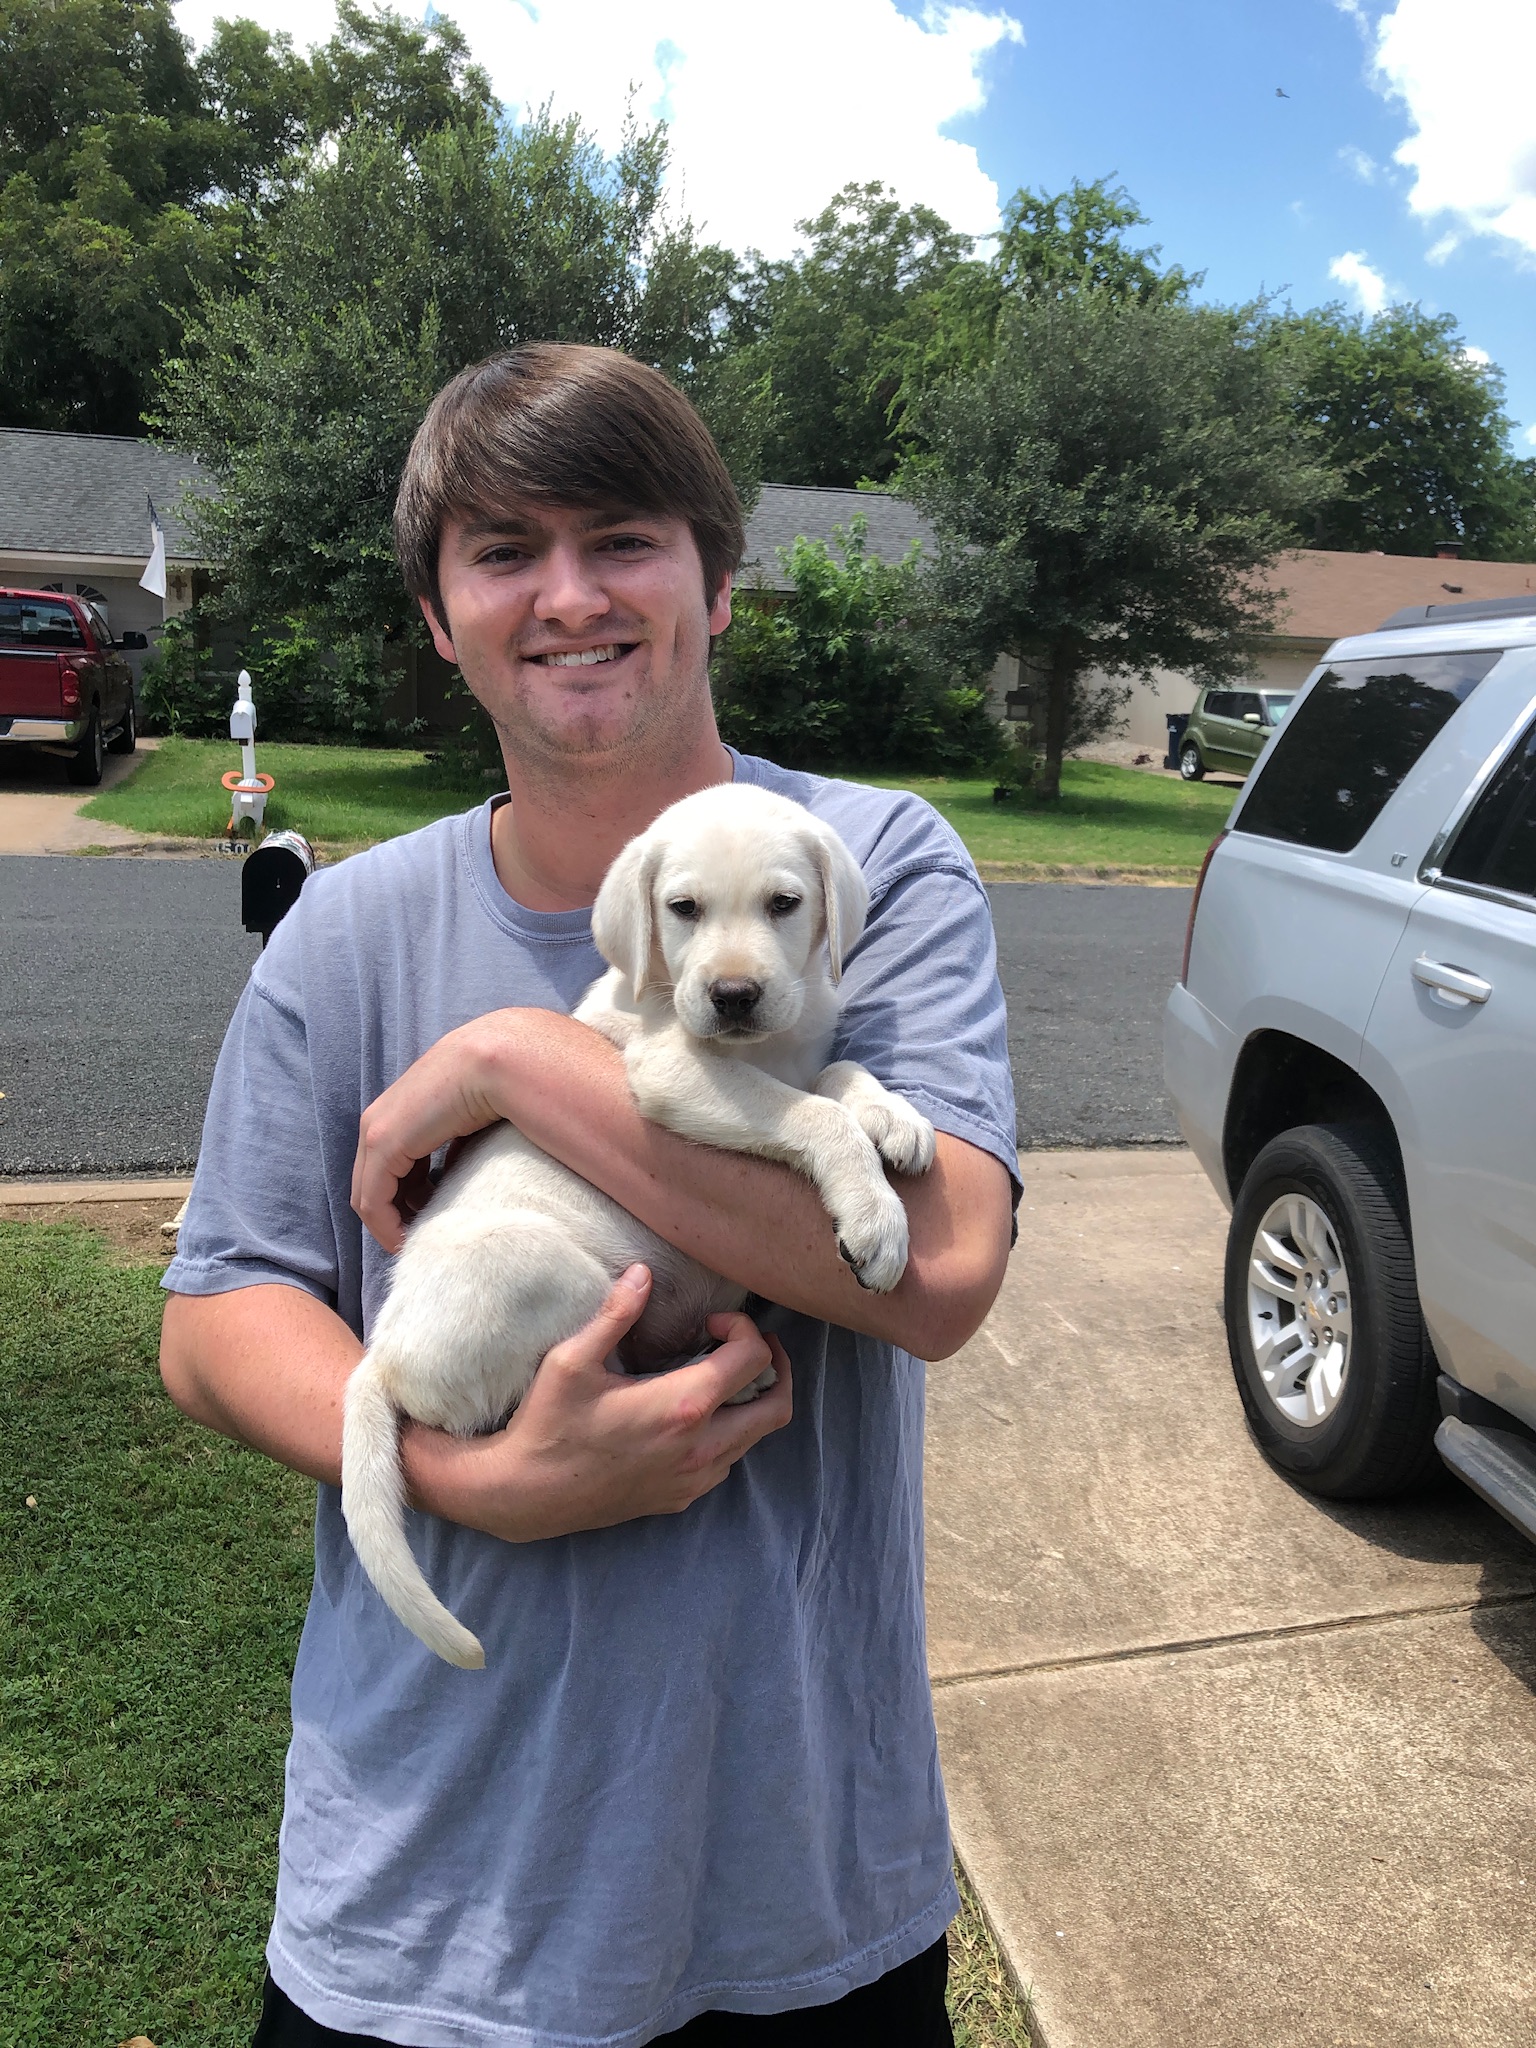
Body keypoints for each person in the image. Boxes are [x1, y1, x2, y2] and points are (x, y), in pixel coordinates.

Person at [160, 343, 1018, 2048]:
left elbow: (933, 1278)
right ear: (438, 616)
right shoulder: (346, 933)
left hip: (797, 1879)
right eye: (503, 553)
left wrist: (514, 1058)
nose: (568, 597)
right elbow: (216, 1317)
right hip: (430, 1897)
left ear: (717, 578)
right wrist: (476, 1483)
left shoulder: (872, 862)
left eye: (623, 538)